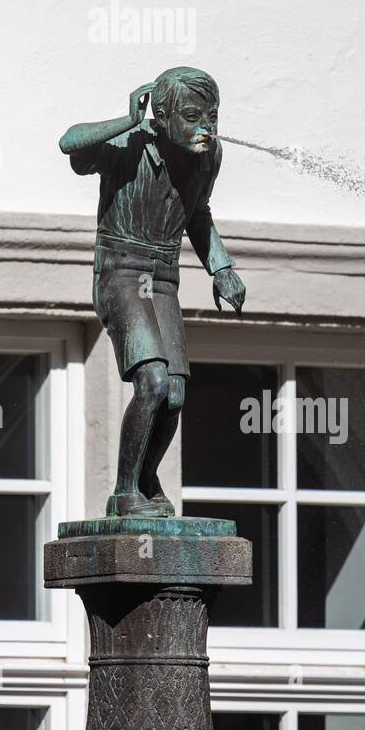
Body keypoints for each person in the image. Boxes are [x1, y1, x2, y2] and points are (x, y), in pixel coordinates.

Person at [61, 67, 246, 517]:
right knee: (153, 381)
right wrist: (127, 120)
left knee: (176, 393)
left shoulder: (209, 156)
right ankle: (125, 493)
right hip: (121, 272)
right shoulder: (130, 145)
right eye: (193, 115)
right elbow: (70, 144)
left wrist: (221, 268)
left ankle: (146, 479)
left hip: (164, 277)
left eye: (213, 116)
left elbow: (197, 214)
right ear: (161, 116)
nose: (207, 127)